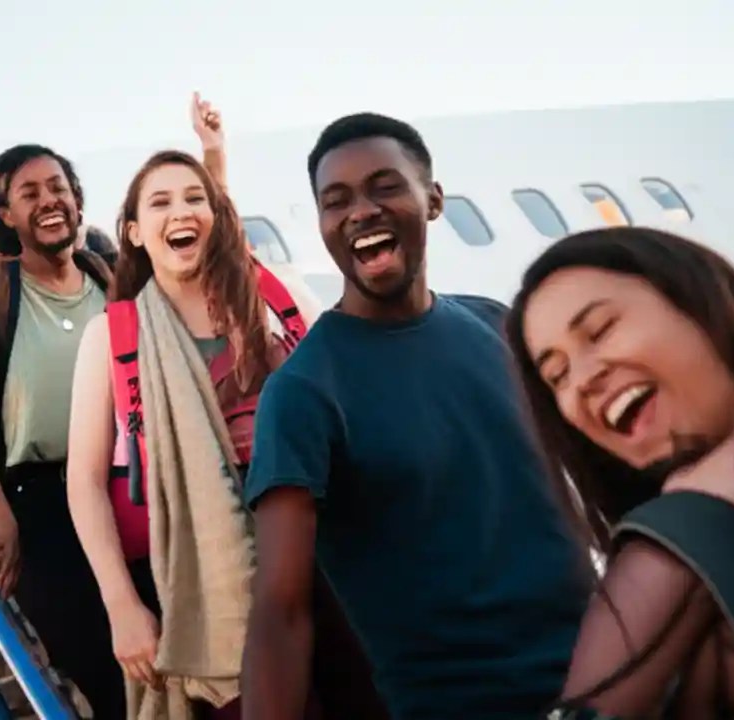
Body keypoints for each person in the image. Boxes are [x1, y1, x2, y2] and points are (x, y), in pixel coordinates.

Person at [240, 112, 589, 719]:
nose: (361, 211)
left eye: (385, 187)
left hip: (613, 674)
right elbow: (280, 612)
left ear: (433, 200)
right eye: (336, 200)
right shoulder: (302, 392)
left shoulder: (497, 324)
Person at [65, 143, 323, 717]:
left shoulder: (276, 301)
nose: (180, 211)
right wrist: (122, 606)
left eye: (194, 198)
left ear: (216, 216)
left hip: (323, 555)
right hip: (204, 581)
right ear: (134, 232)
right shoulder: (112, 337)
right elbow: (83, 482)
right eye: (160, 202)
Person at [507, 227, 734, 717]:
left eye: (600, 330)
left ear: (697, 297)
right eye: (557, 376)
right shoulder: (684, 539)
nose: (584, 379)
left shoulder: (687, 532)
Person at [0, 142, 124, 718]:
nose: (49, 201)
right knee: (96, 667)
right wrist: (0, 519)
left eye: (58, 188)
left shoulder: (106, 280)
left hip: (122, 490)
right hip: (40, 505)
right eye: (30, 193)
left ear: (76, 200)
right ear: (7, 214)